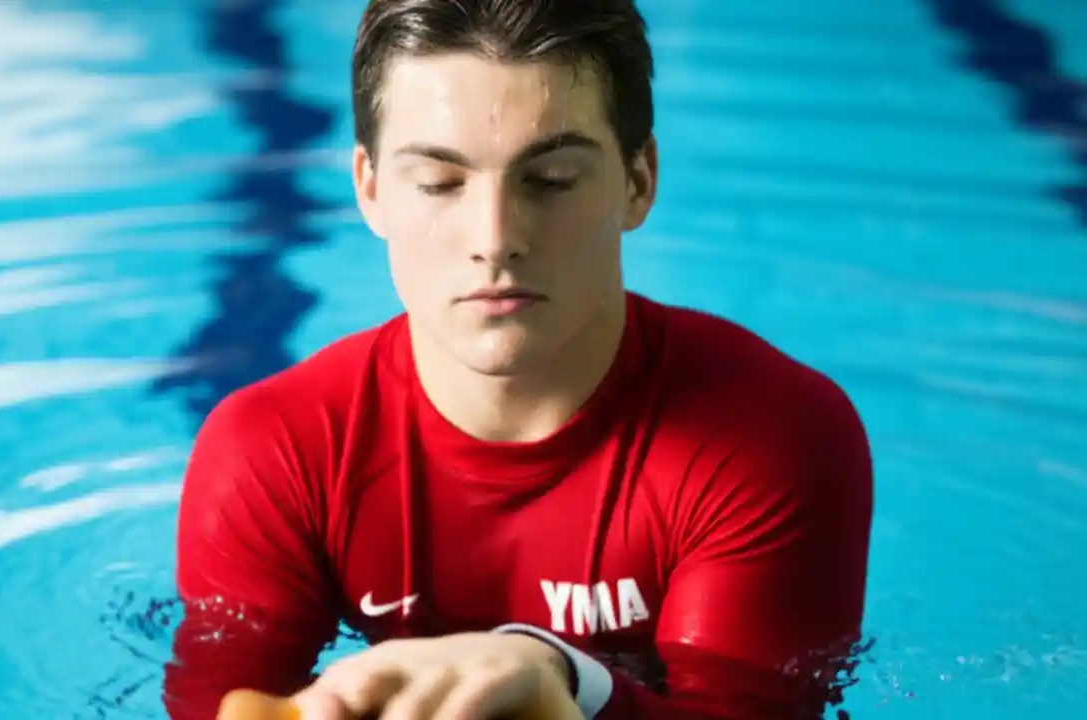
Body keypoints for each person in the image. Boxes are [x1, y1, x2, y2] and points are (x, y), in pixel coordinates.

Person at [164, 1, 874, 718]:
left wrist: (571, 687)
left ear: (639, 180)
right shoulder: (276, 452)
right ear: (370, 189)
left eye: (553, 178)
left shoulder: (767, 436)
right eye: (440, 183)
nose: (495, 237)